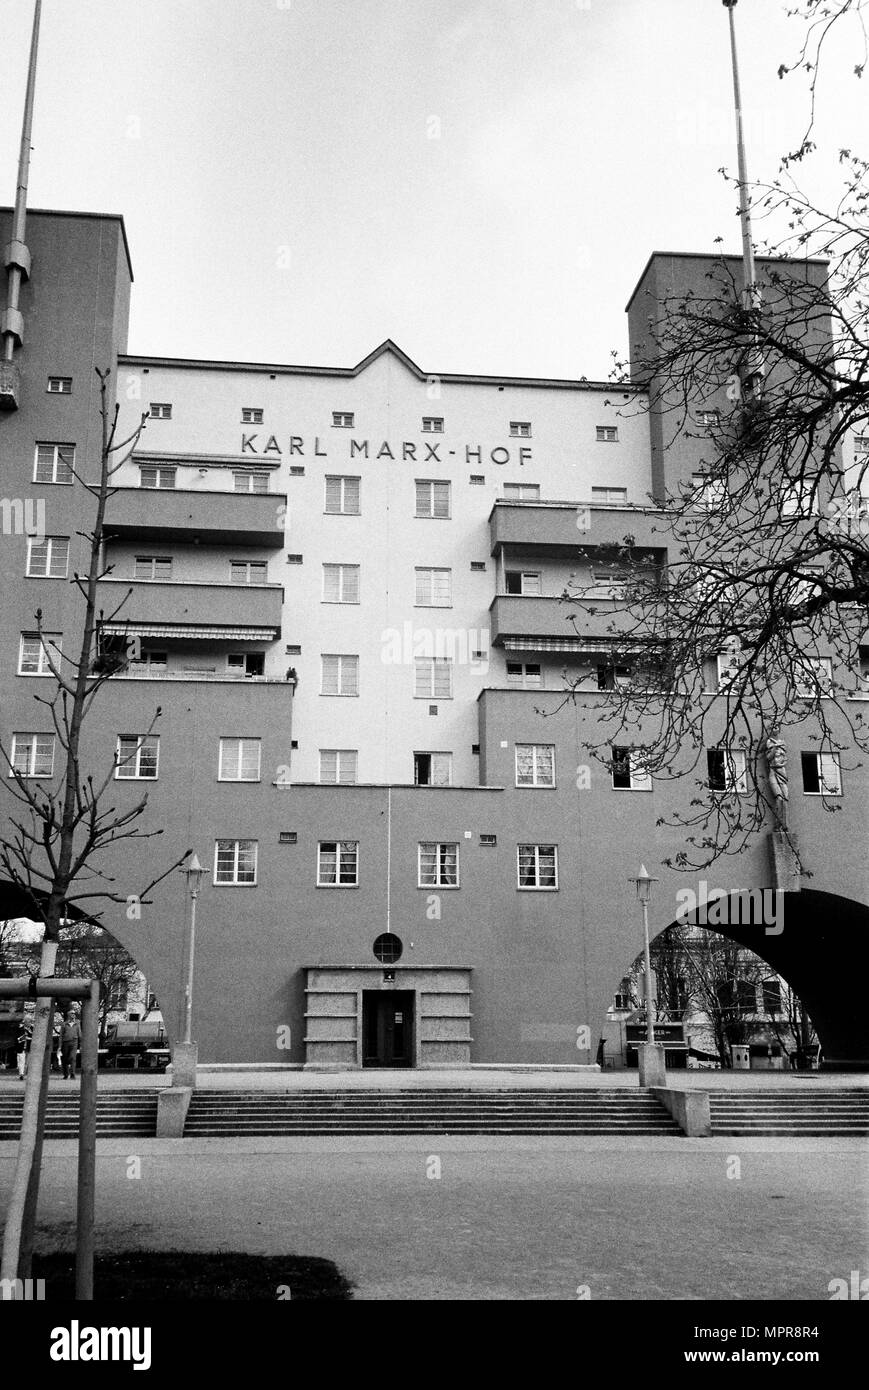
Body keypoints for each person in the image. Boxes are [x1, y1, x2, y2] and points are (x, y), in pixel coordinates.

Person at [60, 1010, 81, 1080]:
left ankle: (73, 1074)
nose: (73, 1014)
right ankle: (66, 1074)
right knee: (65, 1059)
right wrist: (60, 1046)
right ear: (68, 1015)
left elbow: (79, 1034)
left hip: (74, 1042)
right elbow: (61, 1036)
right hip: (65, 1042)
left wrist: (81, 1045)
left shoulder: (77, 1023)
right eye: (72, 1013)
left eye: (74, 1013)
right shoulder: (64, 1024)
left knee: (72, 1058)